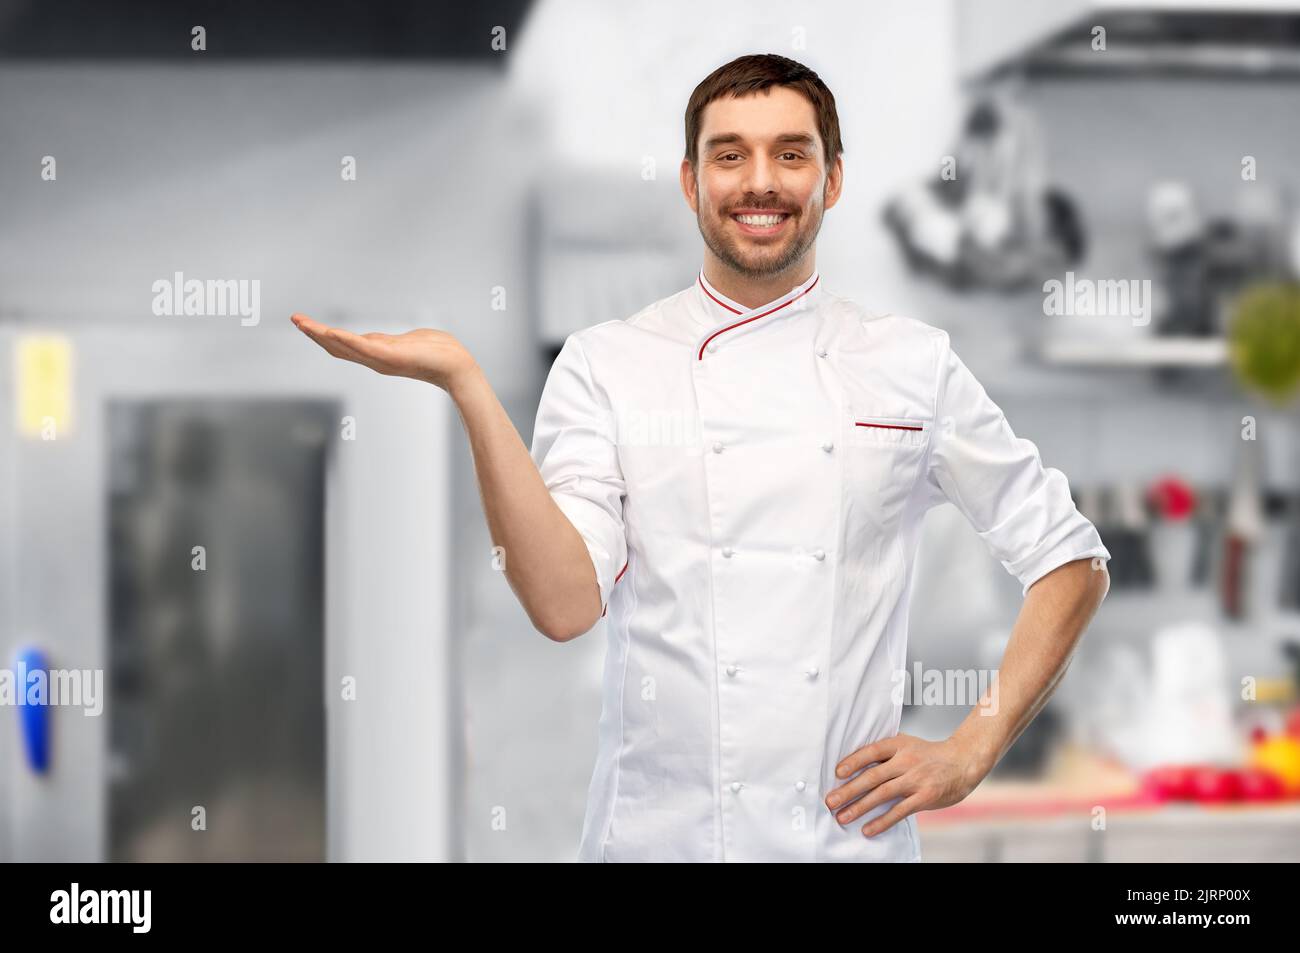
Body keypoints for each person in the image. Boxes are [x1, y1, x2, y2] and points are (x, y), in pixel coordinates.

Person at [291, 53, 1111, 863]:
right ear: (691, 183)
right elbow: (563, 603)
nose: (761, 182)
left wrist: (972, 746)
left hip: (841, 847)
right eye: (730, 155)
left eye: (791, 154)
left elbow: (1069, 557)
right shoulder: (606, 363)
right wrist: (467, 385)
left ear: (832, 181)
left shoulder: (911, 362)